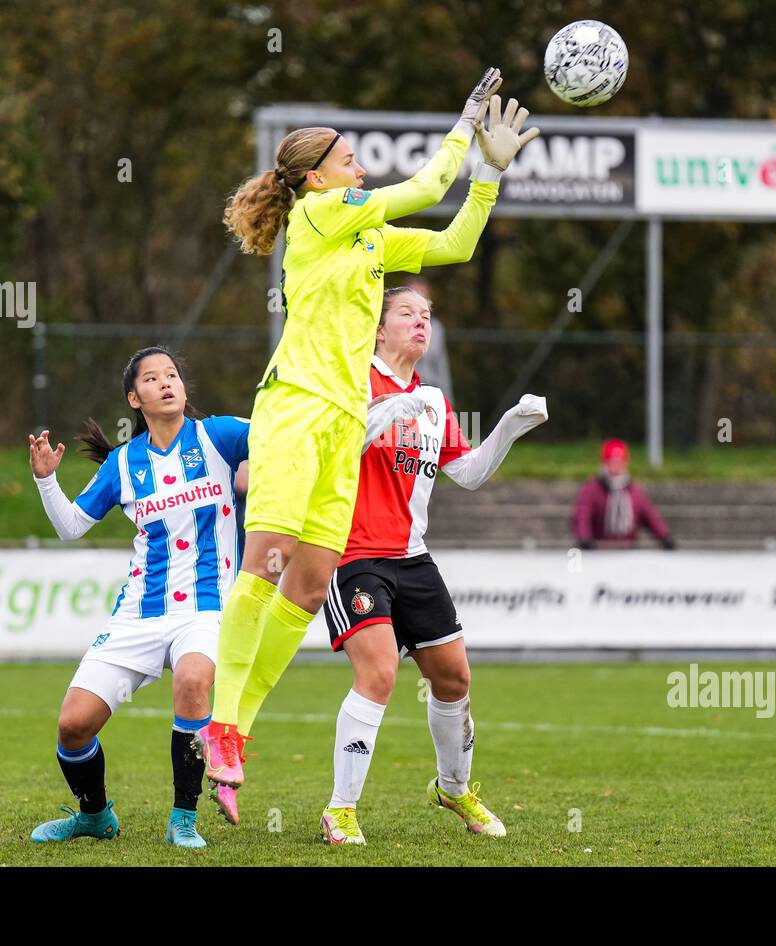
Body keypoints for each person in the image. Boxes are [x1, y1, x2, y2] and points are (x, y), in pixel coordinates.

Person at [199, 71, 541, 815]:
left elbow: (453, 241)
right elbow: (422, 187)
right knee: (268, 557)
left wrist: (489, 172)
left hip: (344, 419)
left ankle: (237, 733)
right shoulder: (321, 214)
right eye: (350, 160)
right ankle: (220, 723)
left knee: (314, 582)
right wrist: (462, 127)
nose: (361, 170)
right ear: (317, 176)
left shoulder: (365, 236)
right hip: (293, 407)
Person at [317, 286, 548, 846]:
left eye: (427, 316)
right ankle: (340, 810)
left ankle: (453, 787)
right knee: (378, 675)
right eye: (407, 314)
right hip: (352, 554)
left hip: (412, 558)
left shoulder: (434, 400)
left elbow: (466, 473)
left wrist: (511, 426)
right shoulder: (350, 379)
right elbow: (326, 452)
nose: (421, 322)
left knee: (454, 679)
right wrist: (377, 414)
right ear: (377, 327)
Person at [26, 346, 249, 849]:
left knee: (193, 680)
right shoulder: (124, 463)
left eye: (172, 374)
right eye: (152, 378)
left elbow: (281, 436)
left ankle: (183, 819)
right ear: (135, 398)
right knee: (72, 727)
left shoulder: (219, 435)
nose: (167, 382)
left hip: (207, 608)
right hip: (139, 612)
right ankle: (94, 815)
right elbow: (71, 527)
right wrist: (46, 480)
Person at [572, 438, 676, 550]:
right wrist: (584, 538)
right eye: (613, 461)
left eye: (620, 461)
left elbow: (650, 516)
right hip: (599, 549)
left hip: (628, 551)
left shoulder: (634, 491)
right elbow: (582, 516)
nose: (617, 465)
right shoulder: (592, 489)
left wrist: (665, 536)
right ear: (605, 462)